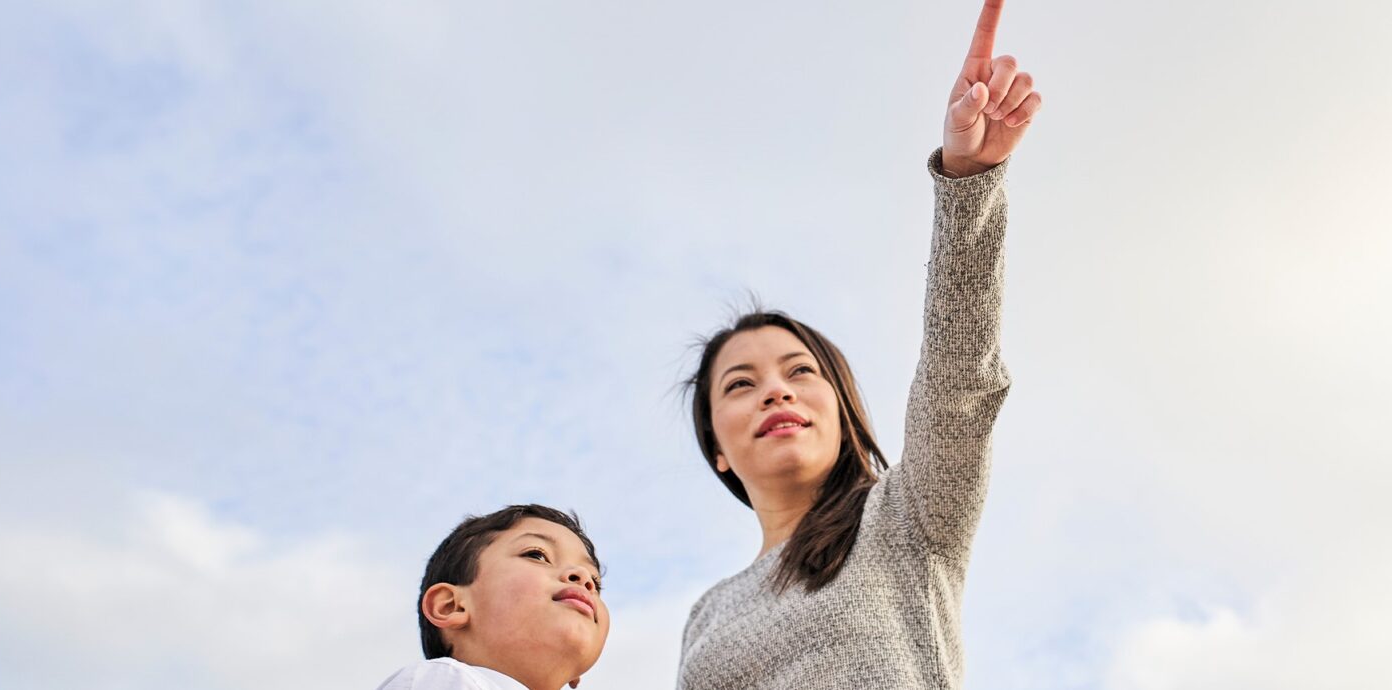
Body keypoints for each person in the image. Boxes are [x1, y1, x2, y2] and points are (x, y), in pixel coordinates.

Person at [676, 0, 1040, 686]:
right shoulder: (706, 615)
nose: (776, 390)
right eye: (740, 384)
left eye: (799, 371)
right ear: (717, 451)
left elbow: (959, 381)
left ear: (843, 408)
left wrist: (969, 183)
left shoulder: (907, 518)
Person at [378, 505, 609, 690]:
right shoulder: (444, 679)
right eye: (537, 555)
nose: (583, 578)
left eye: (595, 582)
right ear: (451, 606)